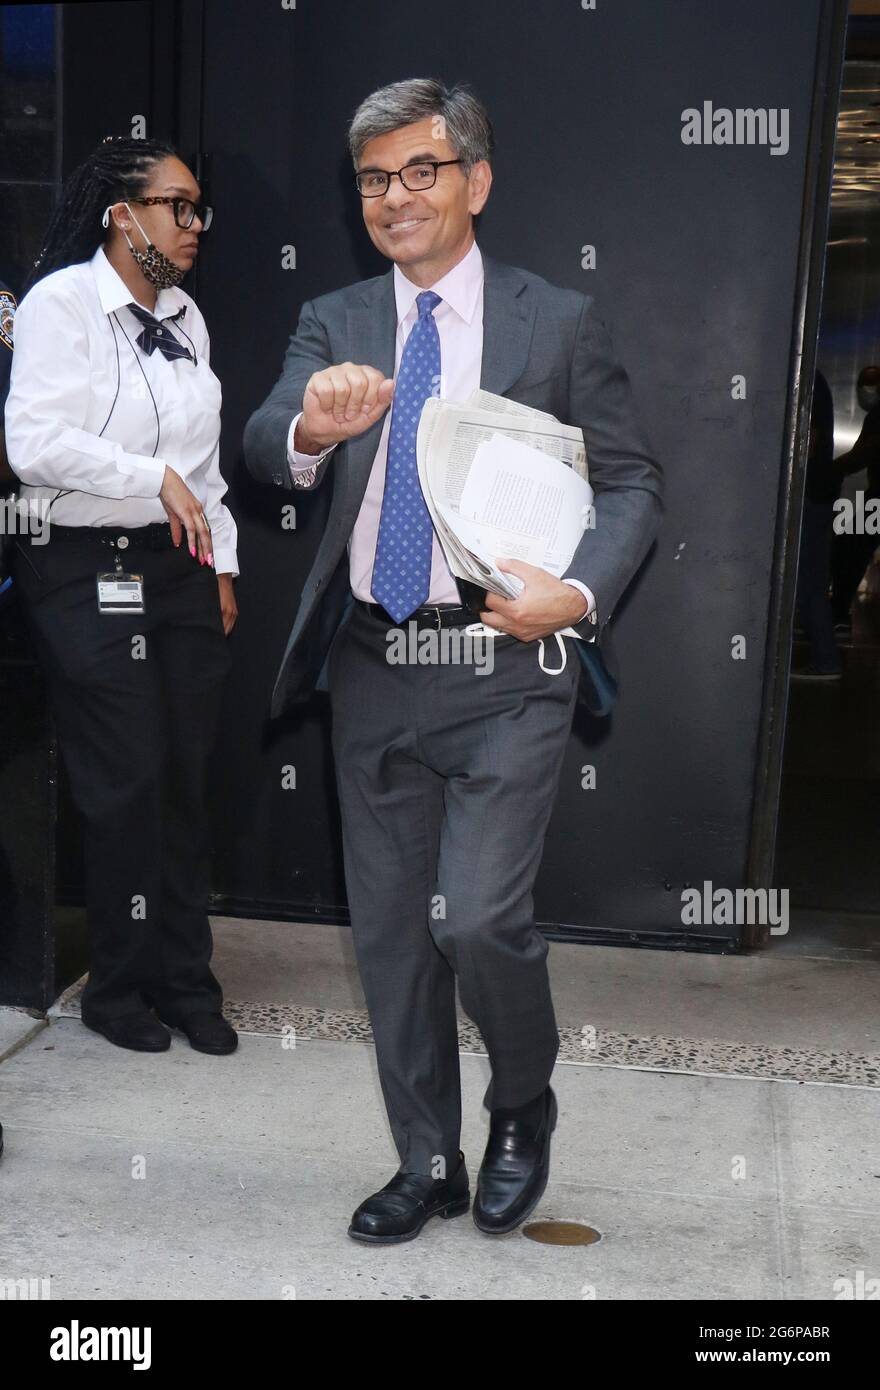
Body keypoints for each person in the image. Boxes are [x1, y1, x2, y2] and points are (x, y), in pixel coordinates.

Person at [244, 79, 663, 1242]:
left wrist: (575, 594)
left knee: (475, 920)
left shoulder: (558, 321)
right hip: (371, 662)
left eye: (420, 171)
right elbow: (266, 439)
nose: (395, 196)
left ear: (476, 180)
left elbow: (631, 481)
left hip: (506, 664)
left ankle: (522, 1101)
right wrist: (311, 425)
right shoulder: (334, 321)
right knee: (390, 941)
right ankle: (425, 1160)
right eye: (374, 179)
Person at [5, 136, 239, 1056]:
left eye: (197, 209)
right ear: (121, 214)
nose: (193, 224)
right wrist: (151, 476)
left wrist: (223, 566)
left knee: (185, 773)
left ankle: (187, 983)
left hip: (181, 564)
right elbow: (32, 442)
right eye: (176, 206)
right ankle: (119, 988)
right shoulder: (61, 302)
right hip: (83, 563)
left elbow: (205, 469)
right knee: (128, 775)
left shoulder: (187, 316)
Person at [791, 369, 842, 681]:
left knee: (806, 579)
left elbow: (808, 439)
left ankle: (825, 659)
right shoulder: (816, 380)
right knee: (812, 580)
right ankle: (826, 657)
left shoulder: (806, 377)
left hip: (810, 491)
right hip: (820, 490)